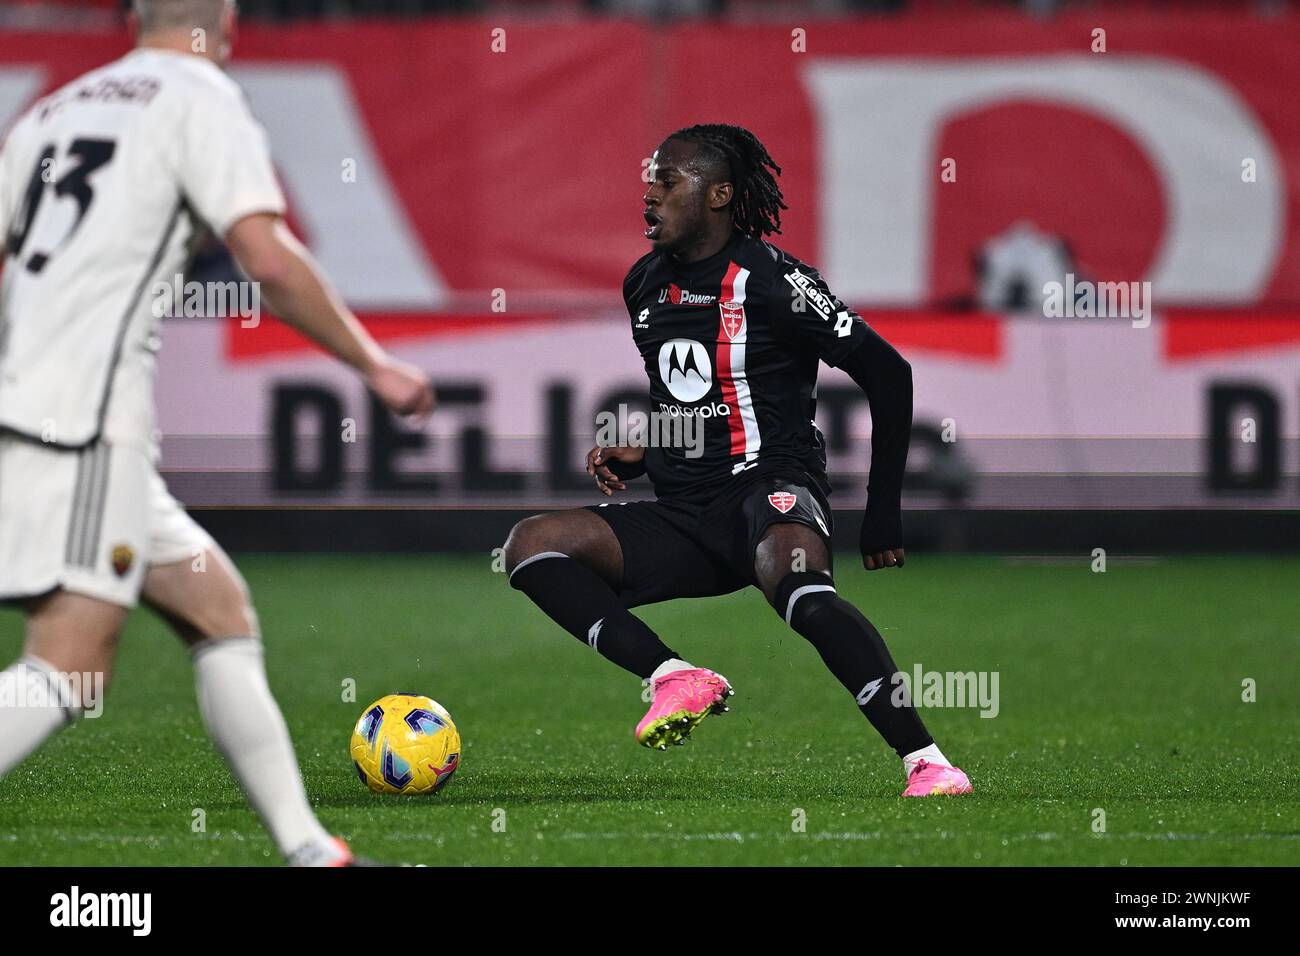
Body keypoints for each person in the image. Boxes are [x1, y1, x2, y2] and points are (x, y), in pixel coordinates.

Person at [0, 0, 434, 864]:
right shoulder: (200, 95)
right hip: (84, 421)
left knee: (219, 610)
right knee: (71, 665)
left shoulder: (53, 110)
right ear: (226, 23)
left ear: (134, 17)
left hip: (37, 408)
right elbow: (266, 258)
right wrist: (375, 365)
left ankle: (312, 850)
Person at [504, 124, 970, 796]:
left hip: (768, 492)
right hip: (686, 515)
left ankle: (926, 761)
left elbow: (889, 375)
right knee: (532, 545)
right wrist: (646, 448)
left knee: (802, 595)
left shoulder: (775, 282)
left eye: (668, 182)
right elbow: (700, 404)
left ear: (719, 194)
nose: (650, 195)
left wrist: (883, 513)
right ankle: (674, 677)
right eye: (650, 181)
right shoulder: (644, 286)